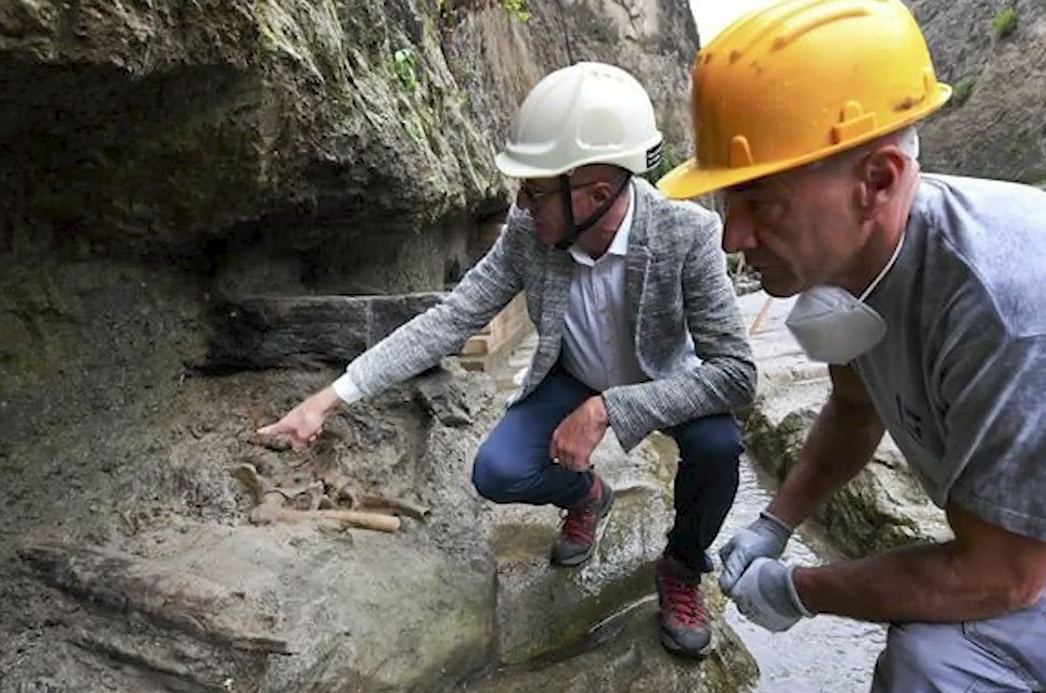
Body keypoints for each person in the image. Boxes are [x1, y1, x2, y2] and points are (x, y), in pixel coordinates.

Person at [657, 0, 1046, 693]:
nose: (732, 236)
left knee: (946, 661)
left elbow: (1000, 578)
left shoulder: (1018, 312)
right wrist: (777, 521)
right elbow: (854, 410)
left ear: (881, 180)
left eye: (762, 203)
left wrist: (799, 589)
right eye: (727, 200)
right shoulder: (838, 277)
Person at [259, 61, 757, 659]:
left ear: (597, 194)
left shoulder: (688, 235)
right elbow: (450, 318)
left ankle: (680, 567)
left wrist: (610, 408)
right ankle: (585, 496)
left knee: (717, 448)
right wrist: (330, 397)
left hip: (661, 381)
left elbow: (736, 373)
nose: (519, 204)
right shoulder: (529, 232)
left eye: (535, 189)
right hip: (570, 377)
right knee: (495, 472)